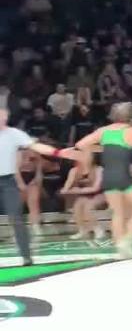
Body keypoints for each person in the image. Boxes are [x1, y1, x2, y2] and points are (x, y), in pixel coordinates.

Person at [73, 103, 132, 257]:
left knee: (117, 213)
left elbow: (80, 145)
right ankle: (127, 239)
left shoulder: (103, 131)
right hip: (124, 176)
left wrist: (104, 148)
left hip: (108, 177)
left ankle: (121, 249)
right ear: (131, 117)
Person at [1, 107, 82, 265]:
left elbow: (36, 147)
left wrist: (58, 153)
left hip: (7, 180)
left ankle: (26, 256)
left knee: (16, 218)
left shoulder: (14, 134)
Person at [60, 154, 106, 241]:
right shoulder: (74, 171)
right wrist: (68, 189)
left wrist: (76, 190)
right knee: (77, 207)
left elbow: (96, 188)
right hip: (83, 195)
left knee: (88, 208)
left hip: (100, 194)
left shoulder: (99, 169)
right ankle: (82, 231)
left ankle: (98, 230)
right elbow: (66, 188)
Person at [16, 149, 45, 238]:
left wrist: (37, 179)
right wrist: (20, 183)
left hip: (32, 177)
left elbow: (39, 168)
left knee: (34, 204)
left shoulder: (35, 152)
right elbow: (15, 170)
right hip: (20, 177)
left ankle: (35, 226)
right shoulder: (16, 153)